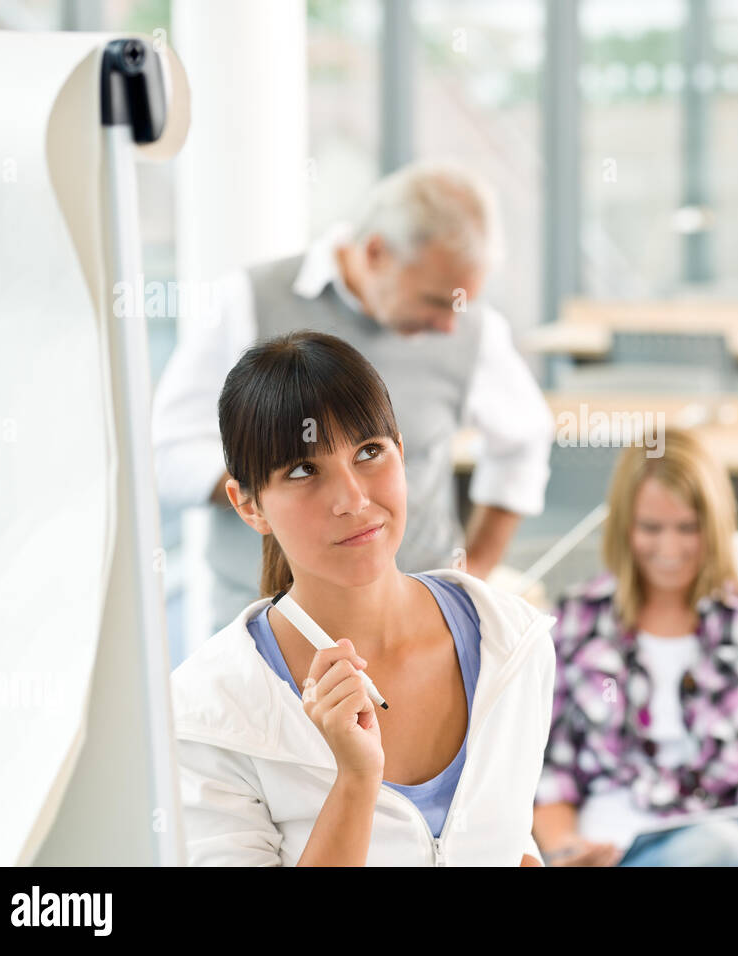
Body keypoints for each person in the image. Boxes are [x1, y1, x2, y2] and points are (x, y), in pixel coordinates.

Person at [169, 331, 556, 866]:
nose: (353, 499)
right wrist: (354, 783)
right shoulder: (207, 712)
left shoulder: (511, 640)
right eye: (303, 470)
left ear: (401, 451)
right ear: (249, 504)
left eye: (369, 452)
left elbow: (511, 845)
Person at [152, 160, 554, 630]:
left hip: (418, 627)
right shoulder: (249, 300)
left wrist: (473, 574)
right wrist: (287, 483)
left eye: (371, 454)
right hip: (269, 629)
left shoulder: (472, 329)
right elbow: (167, 454)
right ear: (377, 252)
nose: (450, 324)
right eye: (436, 301)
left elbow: (525, 441)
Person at [532, 430, 738, 866]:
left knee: (719, 848)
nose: (669, 549)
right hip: (605, 851)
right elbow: (548, 771)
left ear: (715, 526)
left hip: (720, 842)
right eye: (651, 528)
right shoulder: (576, 618)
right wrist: (566, 849)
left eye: (688, 529)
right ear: (625, 526)